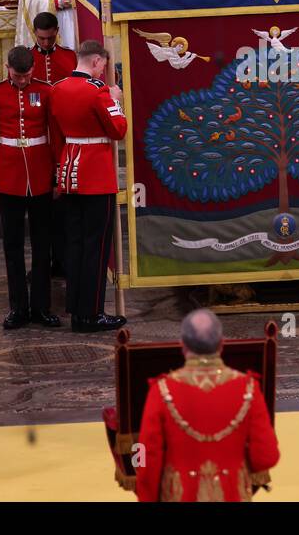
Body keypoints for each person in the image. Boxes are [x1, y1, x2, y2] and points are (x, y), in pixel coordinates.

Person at [135, 309, 280, 502]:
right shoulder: (249, 388)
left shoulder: (161, 391)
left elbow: (145, 458)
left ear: (183, 346)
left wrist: (147, 498)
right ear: (222, 344)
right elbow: (267, 456)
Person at [0, 47, 60, 330]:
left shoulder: (47, 91)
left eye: (26, 76)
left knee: (42, 245)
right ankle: (18, 308)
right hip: (9, 175)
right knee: (12, 246)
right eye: (17, 76)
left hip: (40, 173)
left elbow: (55, 134)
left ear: (32, 70)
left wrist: (58, 173)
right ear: (8, 69)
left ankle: (41, 307)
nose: (22, 81)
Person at [50, 41, 127, 333]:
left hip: (69, 170)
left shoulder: (58, 89)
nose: (104, 71)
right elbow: (118, 129)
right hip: (95, 175)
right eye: (104, 65)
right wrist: (116, 99)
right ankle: (91, 313)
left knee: (75, 245)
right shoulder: (99, 92)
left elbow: (55, 132)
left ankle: (76, 308)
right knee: (96, 247)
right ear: (96, 62)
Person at [31, 11, 78, 86]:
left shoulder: (70, 55)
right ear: (34, 32)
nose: (46, 43)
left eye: (50, 38)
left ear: (57, 30)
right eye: (42, 38)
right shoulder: (26, 57)